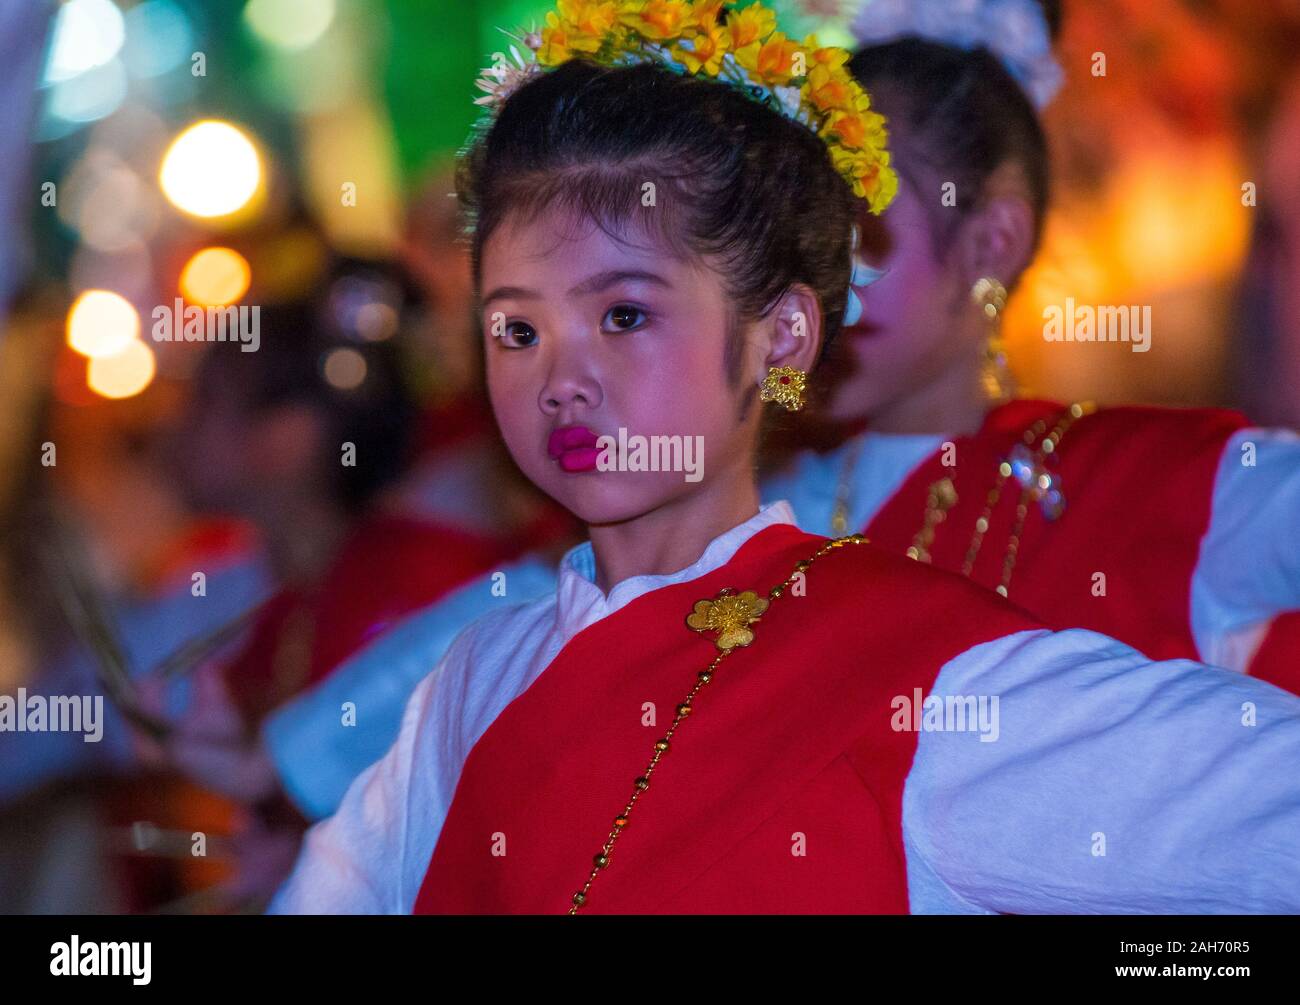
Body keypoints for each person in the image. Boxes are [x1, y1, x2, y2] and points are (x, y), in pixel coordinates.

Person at [272, 0, 1300, 915]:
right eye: (515, 330)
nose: (561, 379)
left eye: (624, 314)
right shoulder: (470, 687)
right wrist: (277, 755)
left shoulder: (931, 681)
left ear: (786, 333)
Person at [763, 0, 1299, 687]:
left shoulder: (1152, 486)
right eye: (801, 235)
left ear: (994, 240)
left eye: (858, 230)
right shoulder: (750, 507)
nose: (816, 284)